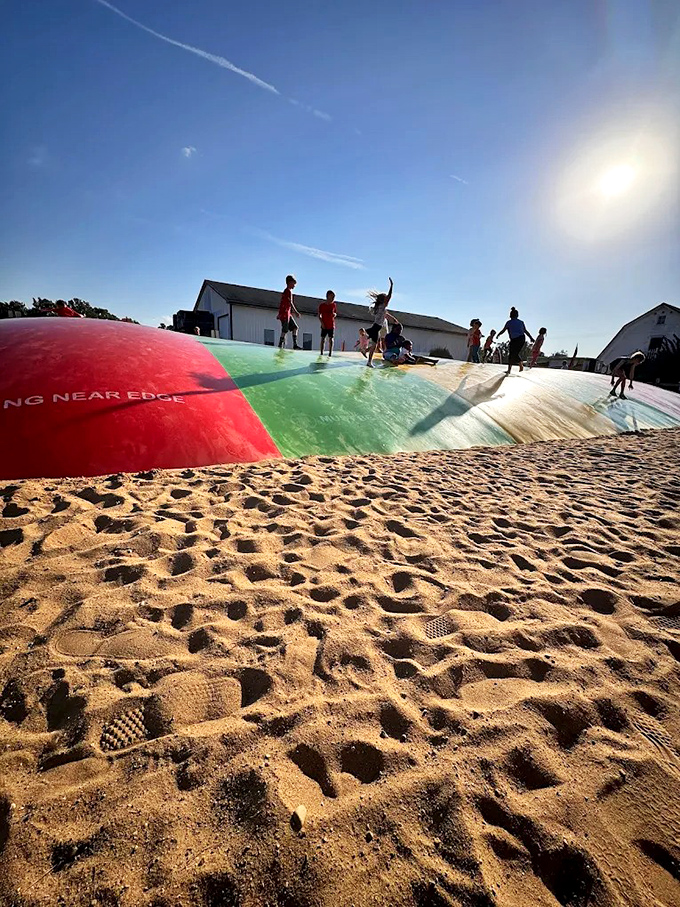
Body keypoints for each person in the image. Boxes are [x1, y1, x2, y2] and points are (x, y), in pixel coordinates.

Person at [366, 278, 398, 368]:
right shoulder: (382, 306)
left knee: (374, 345)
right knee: (373, 344)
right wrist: (391, 286)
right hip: (376, 327)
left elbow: (386, 314)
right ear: (384, 301)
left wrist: (393, 319)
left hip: (376, 327)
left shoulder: (378, 307)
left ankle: (368, 359)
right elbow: (389, 297)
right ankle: (366, 354)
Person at [496, 307, 534, 375]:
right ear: (517, 315)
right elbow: (525, 331)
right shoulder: (519, 322)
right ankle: (511, 369)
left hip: (518, 339)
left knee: (513, 354)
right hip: (520, 339)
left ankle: (517, 366)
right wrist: (531, 338)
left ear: (510, 315)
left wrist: (498, 335)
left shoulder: (510, 322)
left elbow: (503, 330)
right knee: (513, 354)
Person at [278, 275, 302, 349]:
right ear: (289, 283)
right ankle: (280, 345)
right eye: (293, 283)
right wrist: (296, 312)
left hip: (288, 314)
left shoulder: (288, 291)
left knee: (295, 327)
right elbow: (290, 303)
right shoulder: (287, 291)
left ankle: (295, 344)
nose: (294, 285)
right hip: (285, 314)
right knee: (285, 329)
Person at [318, 291, 337, 357]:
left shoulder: (334, 305)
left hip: (331, 324)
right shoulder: (322, 306)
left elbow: (335, 313)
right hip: (324, 325)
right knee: (323, 339)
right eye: (332, 297)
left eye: (334, 297)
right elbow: (319, 315)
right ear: (328, 296)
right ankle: (321, 352)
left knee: (331, 339)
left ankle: (330, 353)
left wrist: (334, 314)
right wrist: (322, 323)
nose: (333, 298)